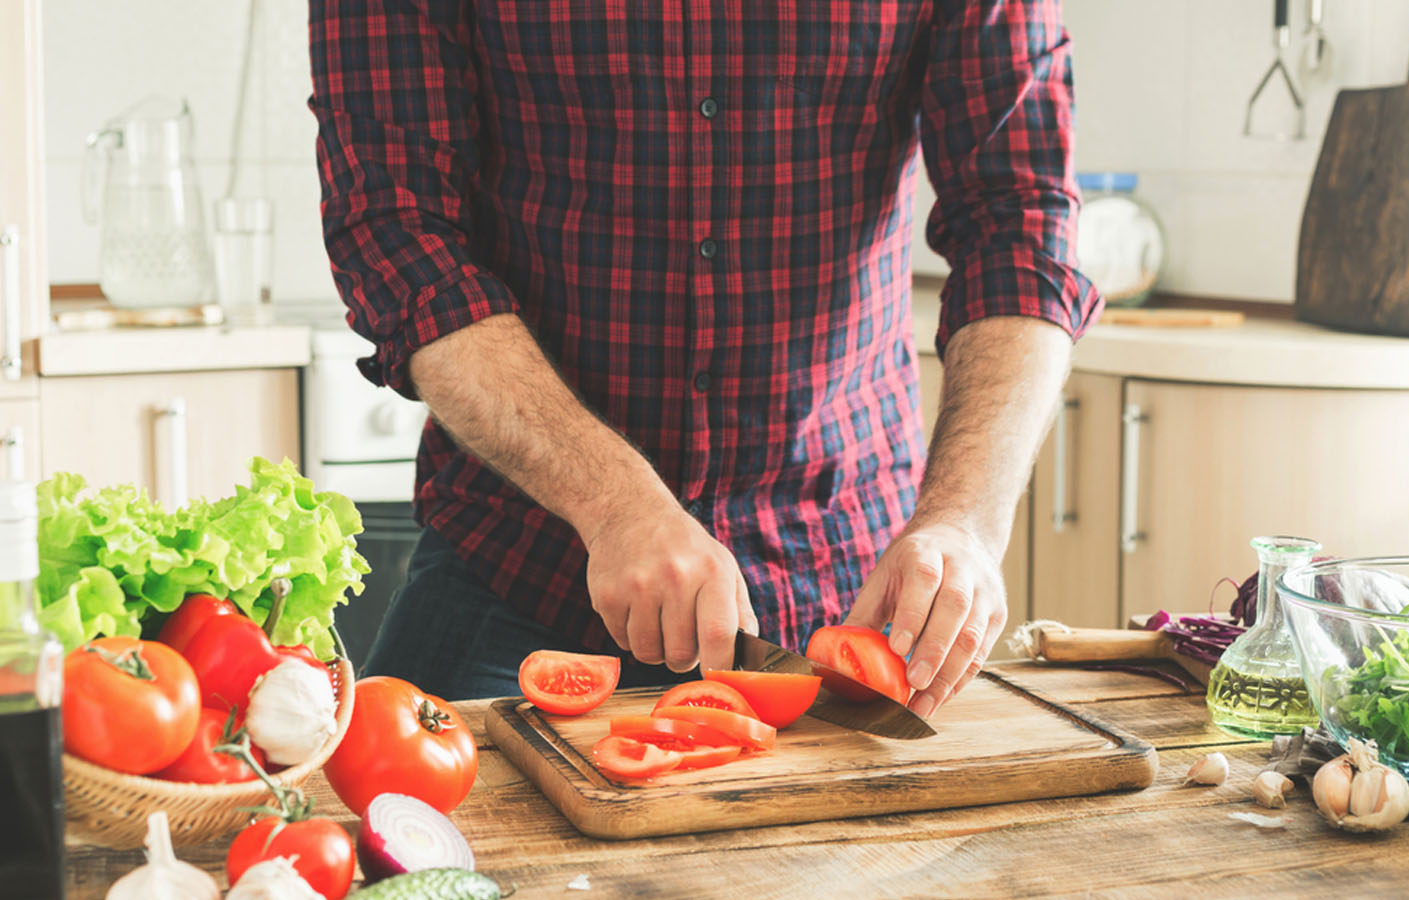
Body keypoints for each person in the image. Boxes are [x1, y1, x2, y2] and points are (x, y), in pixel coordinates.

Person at [309, 0, 1101, 715]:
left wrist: (964, 521)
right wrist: (614, 503)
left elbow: (1020, 225)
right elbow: (396, 229)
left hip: (847, 585)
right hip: (524, 558)